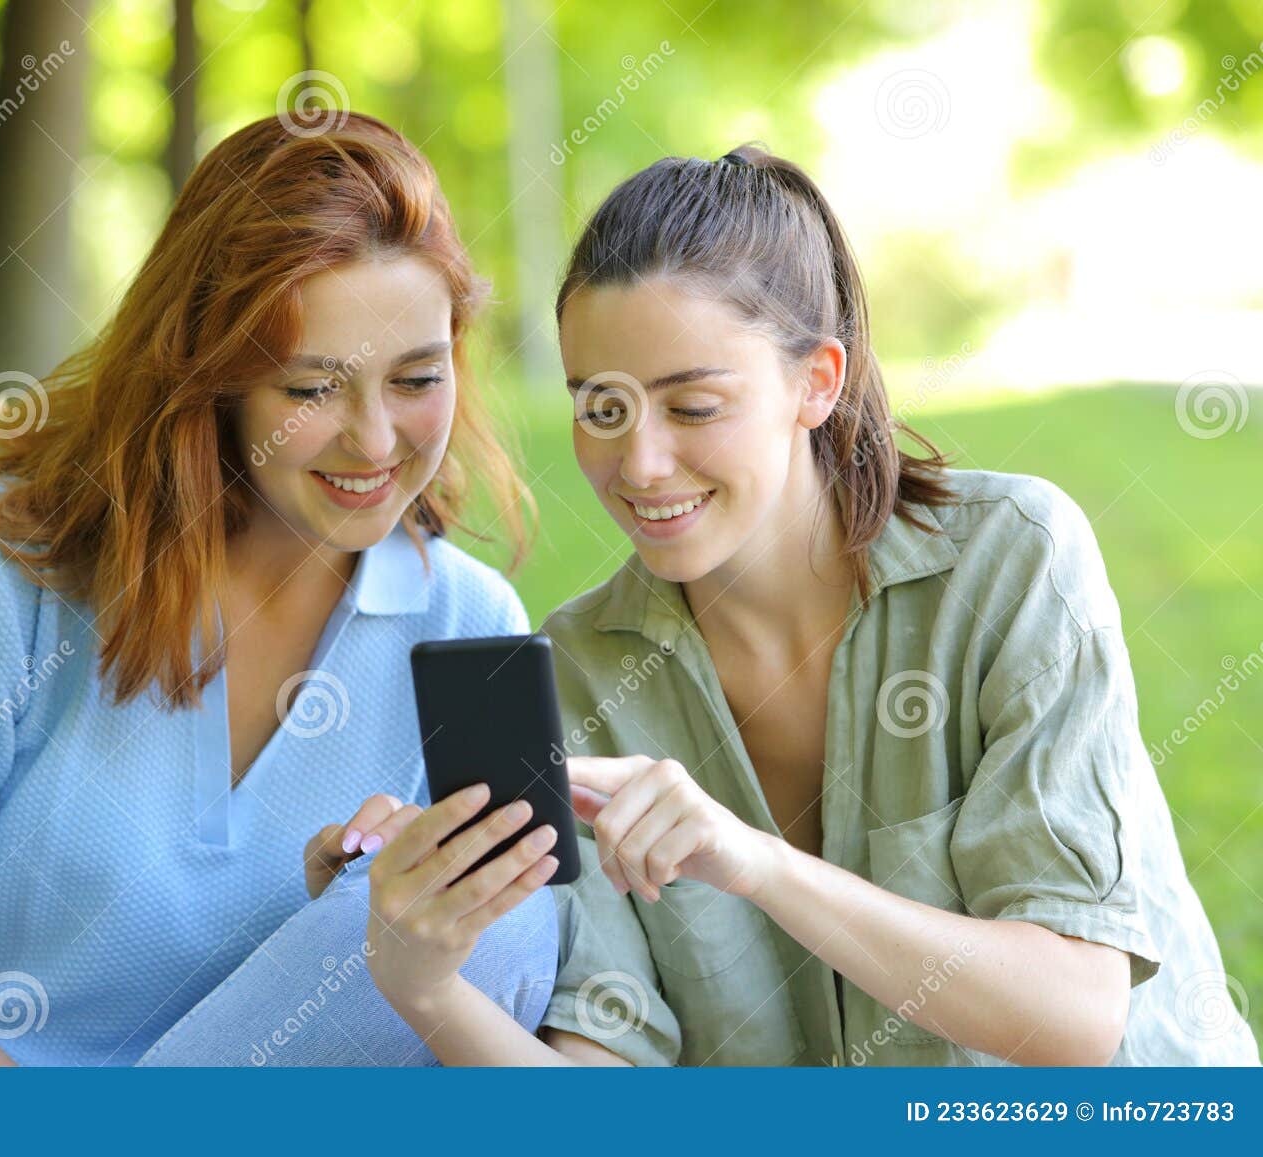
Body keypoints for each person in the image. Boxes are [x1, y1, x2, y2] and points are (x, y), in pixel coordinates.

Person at [0, 110, 557, 1067]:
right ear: (210, 381)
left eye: (417, 378)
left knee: (505, 908)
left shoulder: (470, 624)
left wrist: (359, 908)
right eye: (310, 390)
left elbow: (498, 1024)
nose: (376, 441)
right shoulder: (1, 570)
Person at [351, 144, 1262, 1067]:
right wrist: (422, 984)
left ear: (816, 381)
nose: (641, 464)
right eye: (602, 408)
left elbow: (1074, 1016)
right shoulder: (584, 667)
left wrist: (759, 864)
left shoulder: (1008, 560)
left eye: (694, 405)